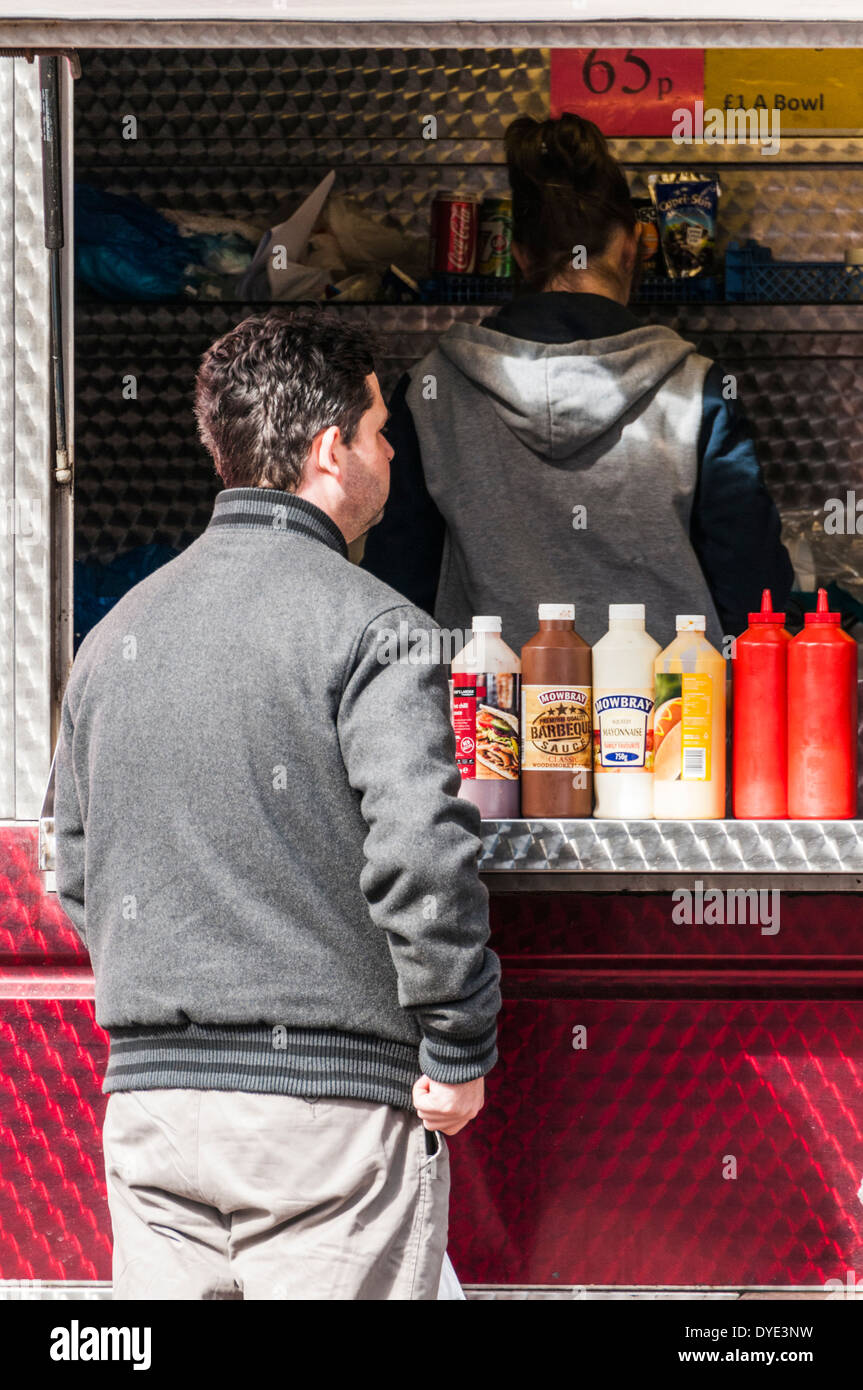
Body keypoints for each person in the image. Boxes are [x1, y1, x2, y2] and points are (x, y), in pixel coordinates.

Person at [53, 309, 501, 1302]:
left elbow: (74, 865)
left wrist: (180, 988)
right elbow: (422, 854)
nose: (391, 452)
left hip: (153, 1112)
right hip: (327, 1126)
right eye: (382, 430)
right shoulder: (379, 629)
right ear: (330, 448)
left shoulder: (114, 635)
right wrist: (458, 1042)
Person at [361, 112, 793, 652]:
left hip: (490, 725)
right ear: (632, 249)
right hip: (673, 722)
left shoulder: (431, 394)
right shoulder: (696, 390)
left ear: (520, 256)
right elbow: (755, 592)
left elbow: (395, 593)